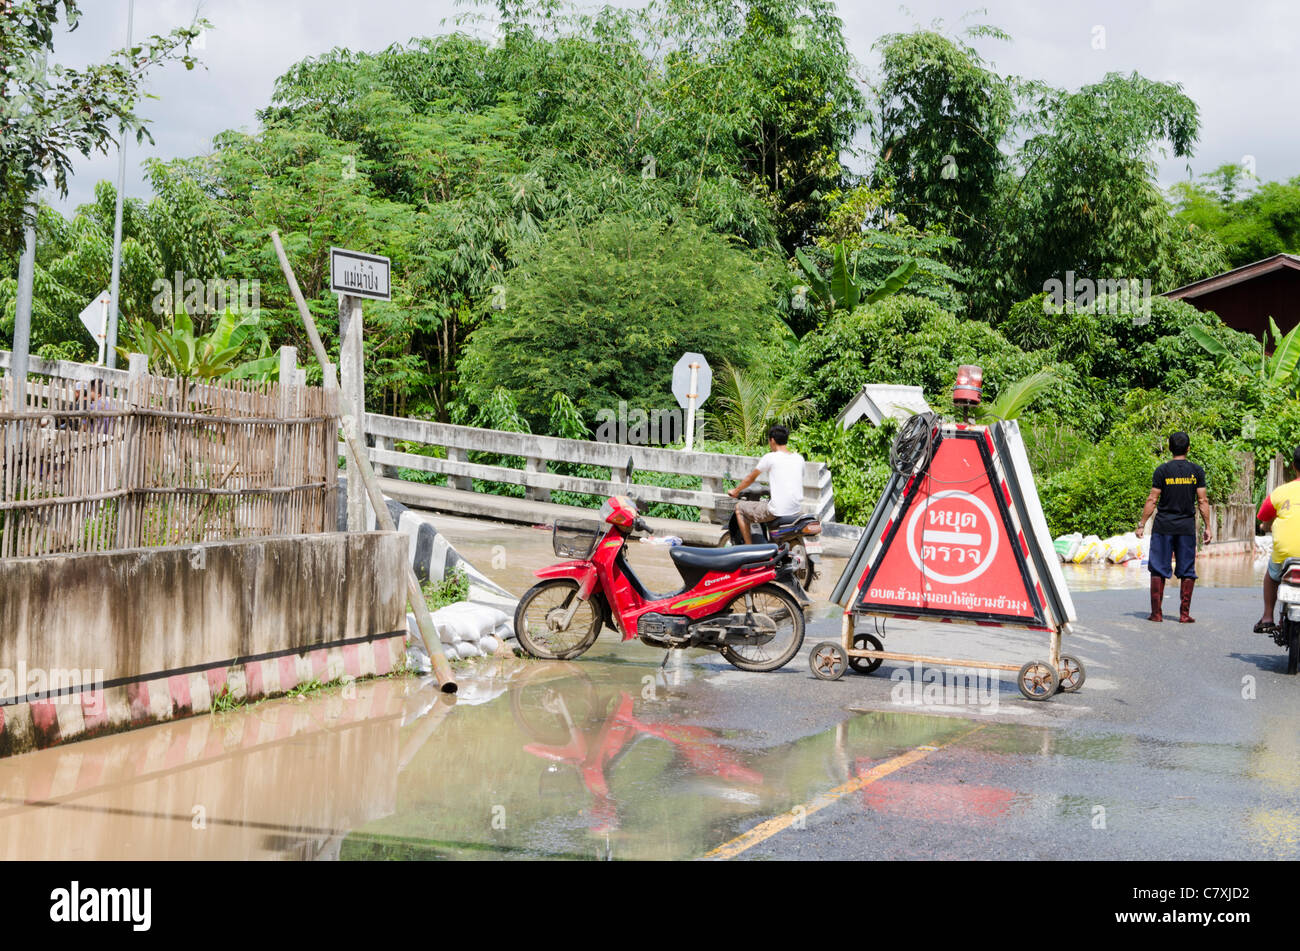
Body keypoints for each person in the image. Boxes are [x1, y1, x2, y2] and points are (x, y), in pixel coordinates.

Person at [1135, 431, 1212, 623]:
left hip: (1163, 527)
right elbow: (1202, 501)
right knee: (1187, 570)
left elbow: (1152, 499)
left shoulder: (1162, 471)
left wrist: (1141, 524)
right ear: (1188, 448)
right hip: (1186, 527)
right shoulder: (1197, 471)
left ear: (1170, 448)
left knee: (1158, 568)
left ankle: (1157, 614)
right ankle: (1184, 615)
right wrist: (1208, 527)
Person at [728, 424, 805, 545]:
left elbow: (750, 478)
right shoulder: (799, 458)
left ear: (772, 440)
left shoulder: (770, 457)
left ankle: (749, 548)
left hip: (777, 510)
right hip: (796, 509)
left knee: (739, 508)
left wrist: (736, 491)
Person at [1254, 445, 1300, 634]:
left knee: (1271, 577)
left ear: (1294, 466)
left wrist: (1266, 526)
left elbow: (1263, 517)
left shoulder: (1280, 492)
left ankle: (1267, 617)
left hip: (1285, 555)